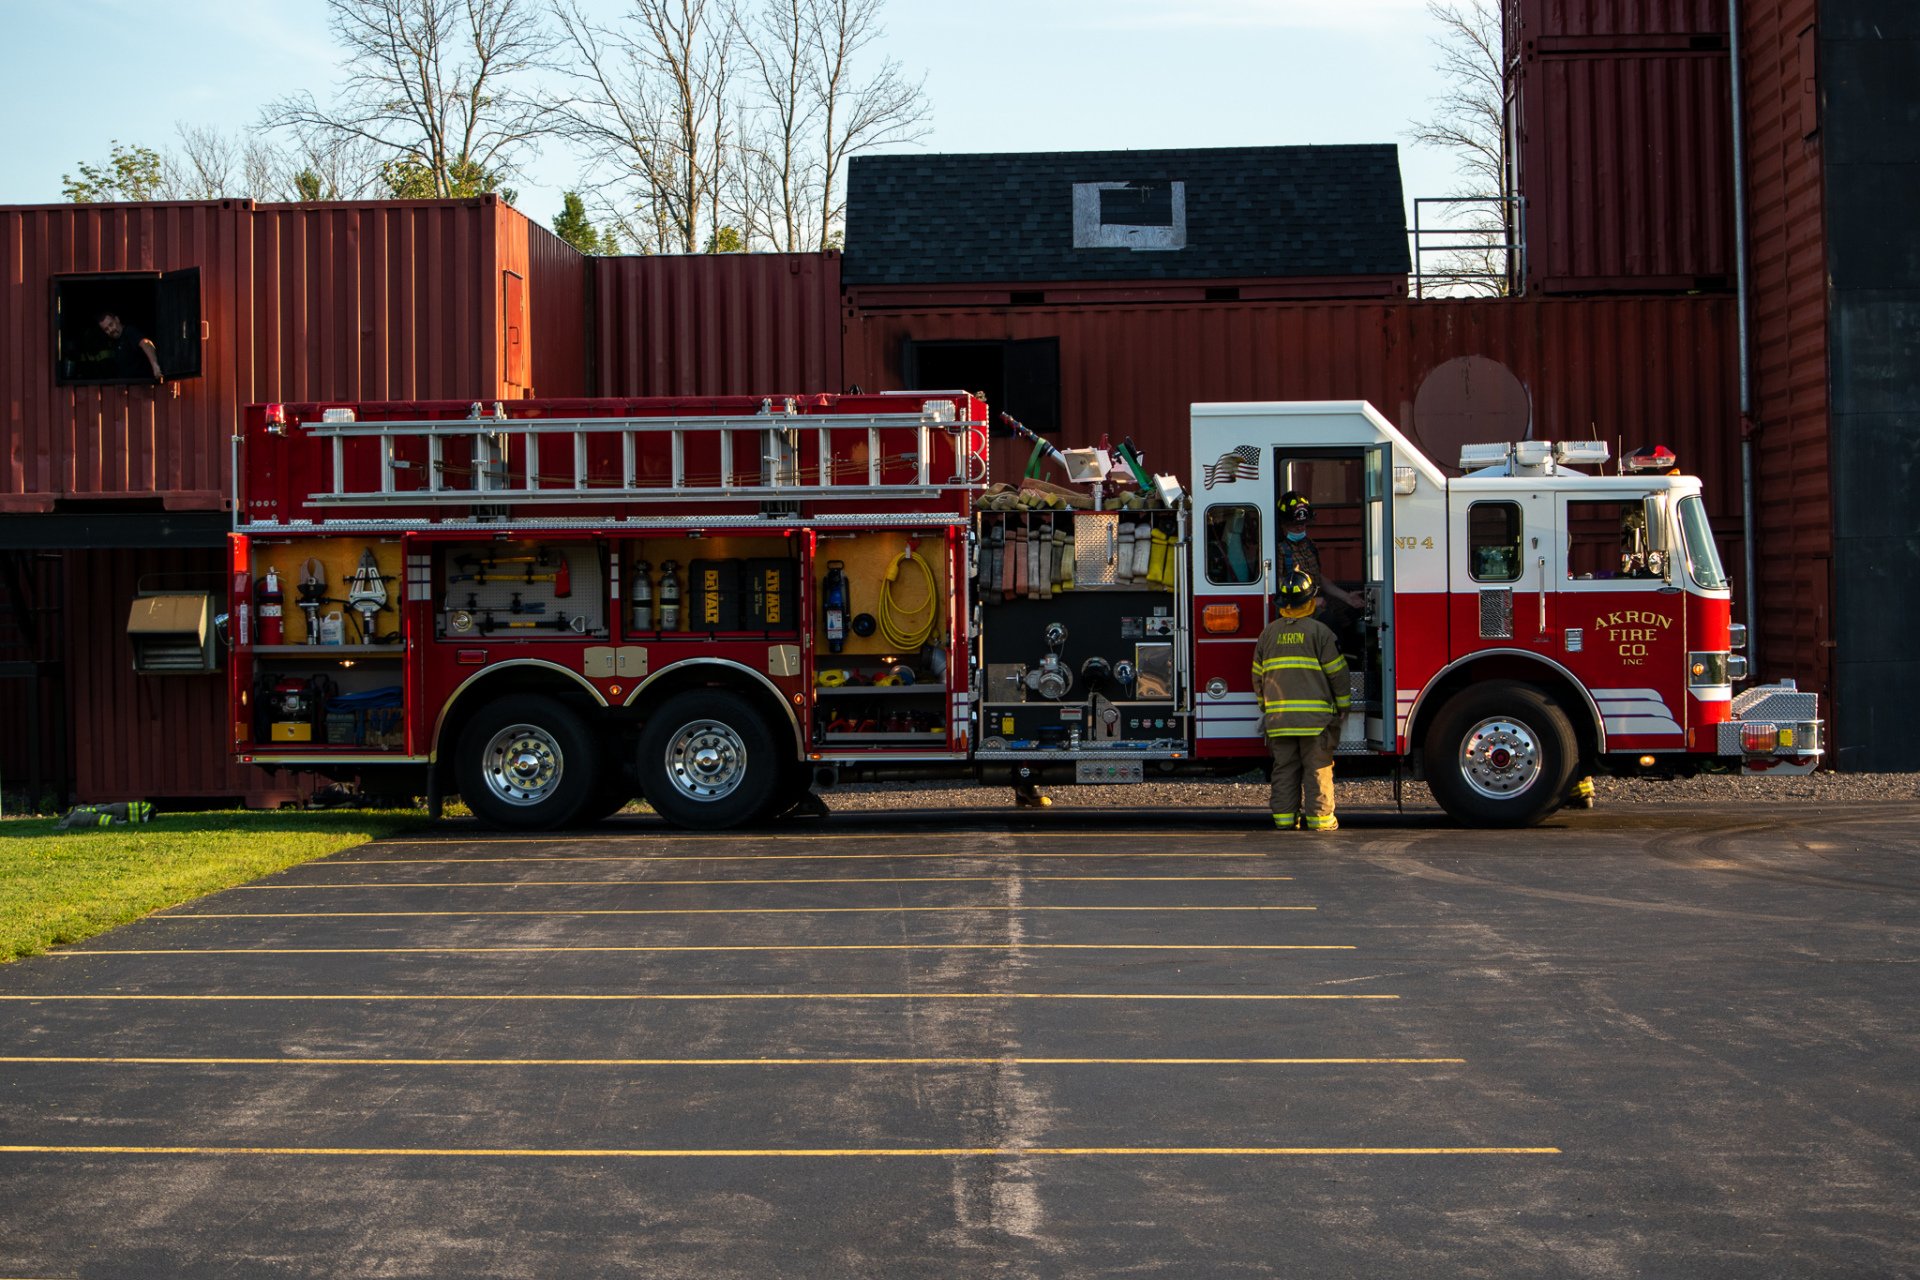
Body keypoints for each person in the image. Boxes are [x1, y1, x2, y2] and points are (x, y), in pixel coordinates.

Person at [1253, 568, 1351, 832]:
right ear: (1310, 601)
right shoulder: (1320, 633)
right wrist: (1343, 705)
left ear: (1282, 603)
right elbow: (1338, 674)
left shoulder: (1268, 634)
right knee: (1317, 769)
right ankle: (1321, 821)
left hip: (1279, 721)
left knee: (1284, 770)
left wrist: (1267, 707)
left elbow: (1258, 676)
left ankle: (1284, 821)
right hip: (1315, 722)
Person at [1277, 491, 1367, 651]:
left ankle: (1352, 661)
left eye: (1303, 524)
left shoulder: (1309, 545)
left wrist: (1347, 597)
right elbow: (1279, 587)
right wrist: (1311, 602)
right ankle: (1332, 664)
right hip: (1296, 607)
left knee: (1352, 615)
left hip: (1317, 601)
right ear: (1283, 524)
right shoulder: (1278, 550)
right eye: (1294, 525)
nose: (1300, 528)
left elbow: (1318, 578)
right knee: (1329, 620)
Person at [96, 311, 163, 381]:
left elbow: (146, 343)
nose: (110, 330)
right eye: (106, 329)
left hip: (142, 385)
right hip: (125, 388)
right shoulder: (112, 343)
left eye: (111, 324)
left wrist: (155, 366)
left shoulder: (129, 332)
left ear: (117, 319)